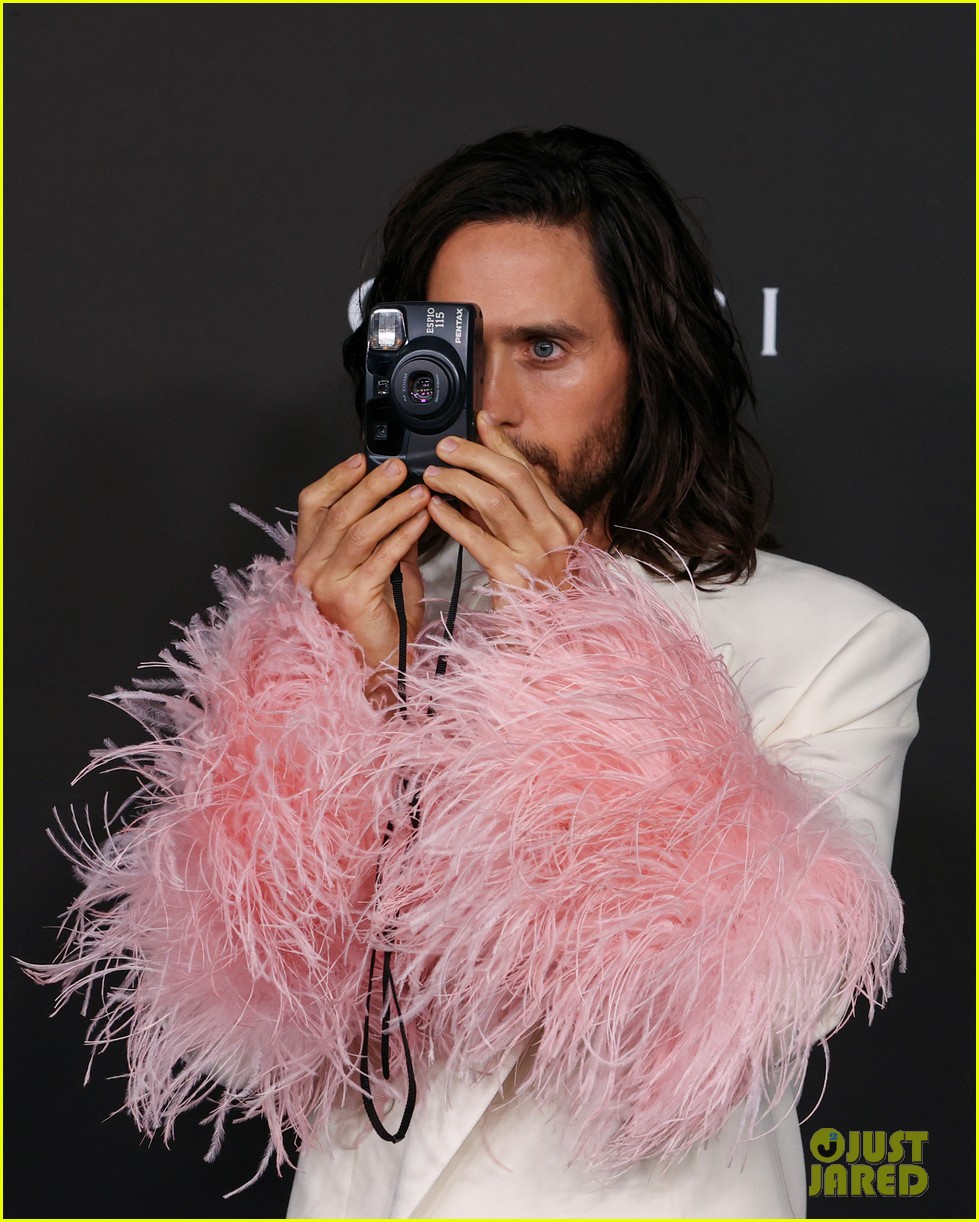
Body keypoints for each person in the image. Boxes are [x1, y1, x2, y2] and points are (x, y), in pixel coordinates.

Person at [31, 128, 928, 1218]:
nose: (491, 406)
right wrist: (343, 679)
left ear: (649, 366)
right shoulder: (362, 613)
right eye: (452, 346)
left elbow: (769, 1005)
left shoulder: (836, 638)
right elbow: (253, 1008)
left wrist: (570, 635)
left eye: (545, 348)